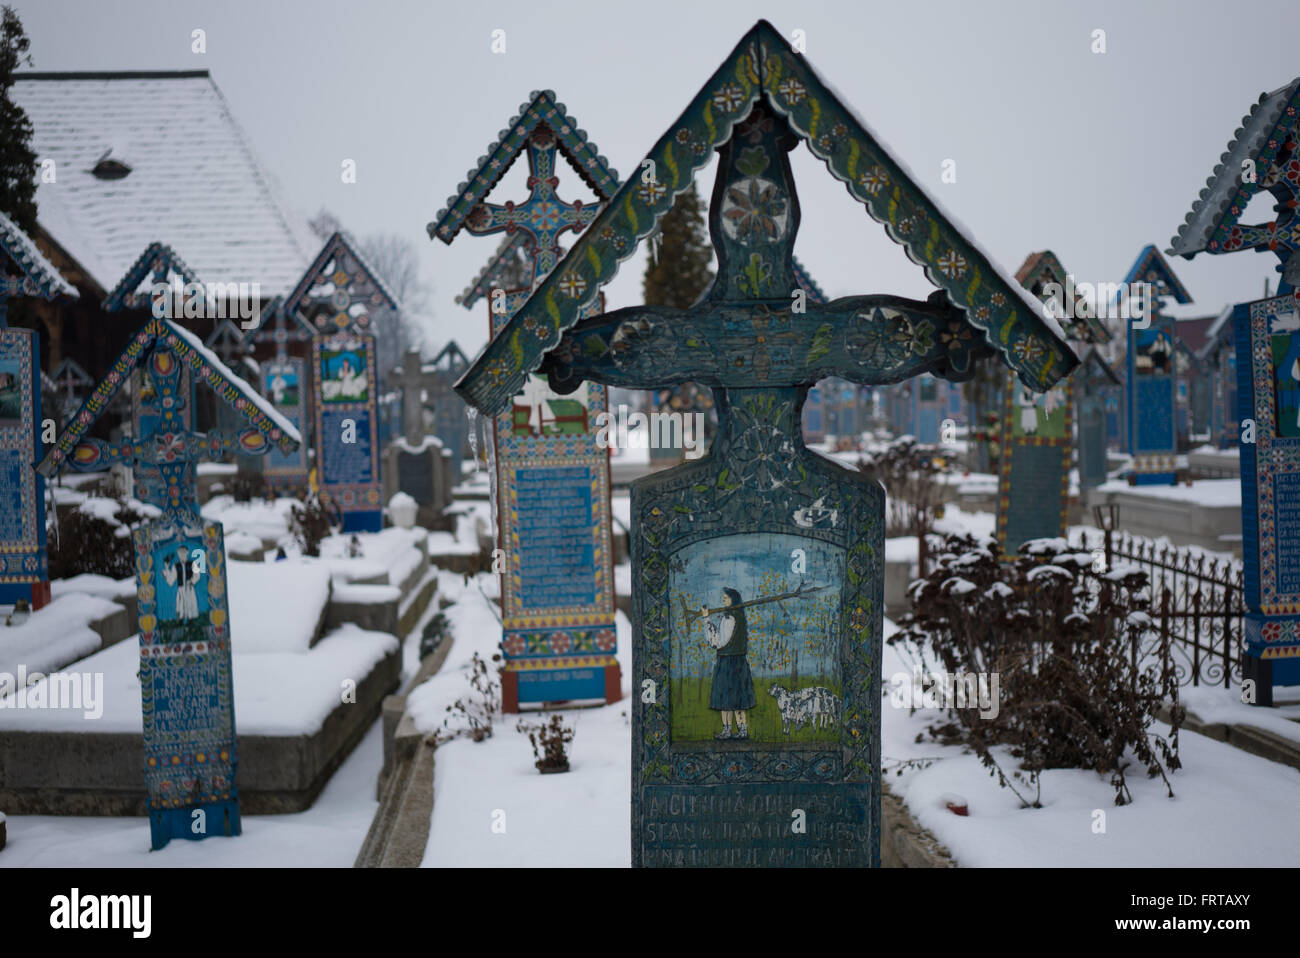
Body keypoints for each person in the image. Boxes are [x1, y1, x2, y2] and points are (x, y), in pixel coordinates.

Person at [702, 588, 757, 740]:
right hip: (739, 662)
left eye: (726, 598)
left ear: (733, 600)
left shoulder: (729, 619)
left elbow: (717, 642)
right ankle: (741, 730)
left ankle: (728, 731)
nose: (723, 600)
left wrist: (707, 621)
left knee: (725, 697)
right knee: (738, 698)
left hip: (728, 662)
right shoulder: (739, 617)